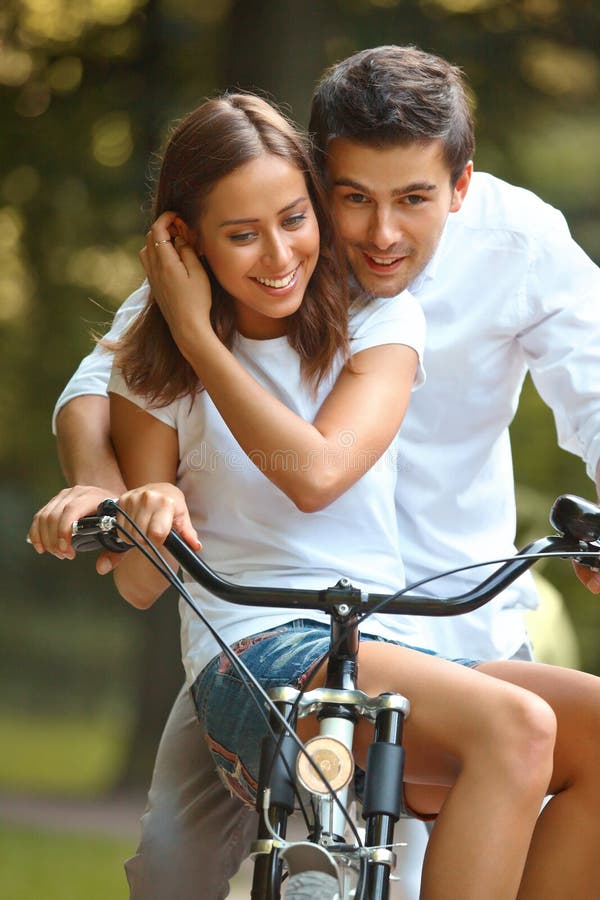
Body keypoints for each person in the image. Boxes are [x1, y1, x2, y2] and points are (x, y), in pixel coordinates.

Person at [29, 45, 600, 899]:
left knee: (537, 744)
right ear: (319, 174)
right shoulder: (234, 265)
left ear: (461, 186)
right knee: (171, 866)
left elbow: (594, 383)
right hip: (259, 628)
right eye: (354, 199)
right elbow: (105, 384)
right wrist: (113, 494)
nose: (380, 233)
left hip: (441, 618)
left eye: (413, 199)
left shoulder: (453, 279)